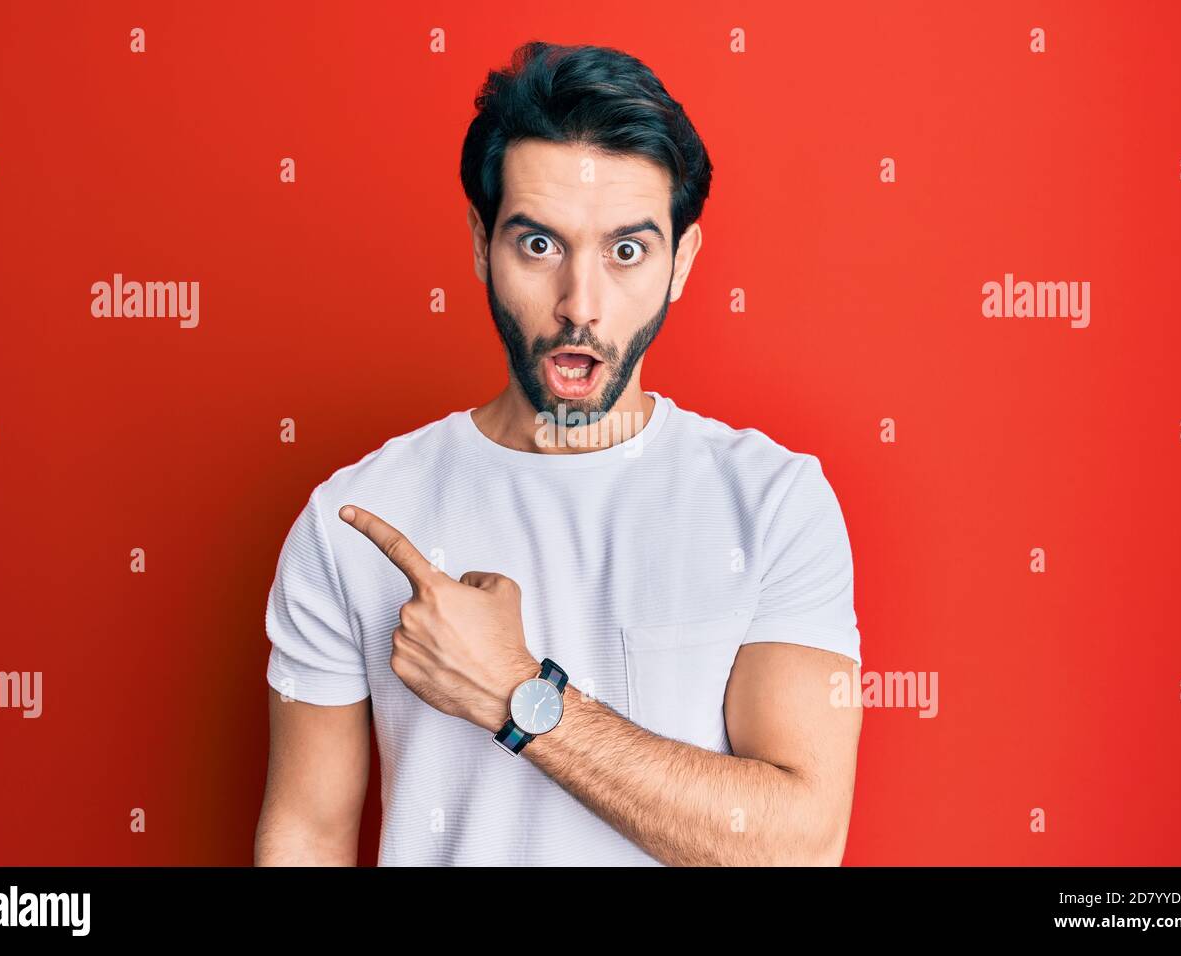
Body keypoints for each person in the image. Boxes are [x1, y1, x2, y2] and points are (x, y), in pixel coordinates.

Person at [254, 40, 863, 867]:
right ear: (480, 243)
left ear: (682, 262)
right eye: (539, 245)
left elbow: (799, 846)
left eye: (626, 250)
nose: (582, 304)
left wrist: (514, 693)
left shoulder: (774, 503)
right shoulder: (353, 519)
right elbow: (308, 835)